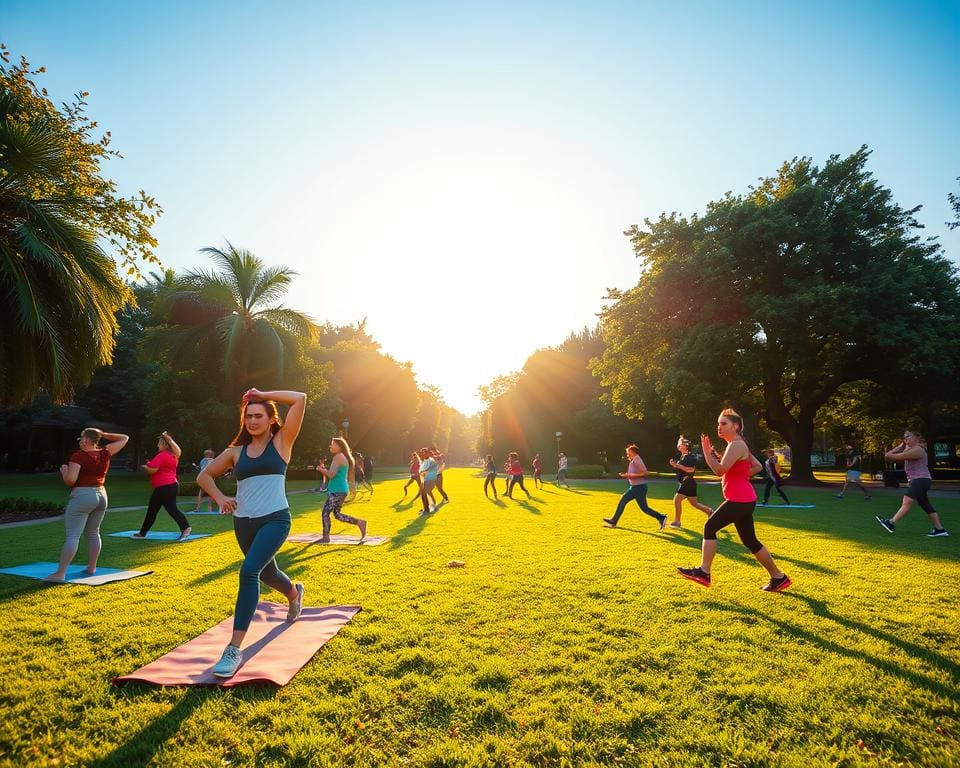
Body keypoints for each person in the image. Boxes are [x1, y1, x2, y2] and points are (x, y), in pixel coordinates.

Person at [196, 388, 309, 678]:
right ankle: (294, 593)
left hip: (275, 519)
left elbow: (300, 398)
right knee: (268, 574)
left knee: (248, 572)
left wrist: (262, 393)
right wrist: (221, 499)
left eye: (259, 415)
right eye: (249, 416)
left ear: (272, 419)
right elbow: (204, 476)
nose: (253, 420)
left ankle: (233, 649)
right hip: (243, 523)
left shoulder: (283, 441)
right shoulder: (235, 452)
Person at [678, 408, 792, 591]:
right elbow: (755, 466)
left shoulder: (737, 444)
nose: (719, 427)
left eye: (724, 423)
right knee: (750, 541)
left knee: (710, 526)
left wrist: (707, 453)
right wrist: (739, 475)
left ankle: (704, 572)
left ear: (736, 426)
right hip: (745, 499)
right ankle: (778, 578)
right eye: (718, 424)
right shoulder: (738, 444)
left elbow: (719, 471)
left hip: (739, 499)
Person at [45, 428, 129, 581]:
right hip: (102, 495)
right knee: (93, 533)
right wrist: (103, 434)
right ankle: (92, 568)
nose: (79, 441)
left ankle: (60, 574)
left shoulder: (78, 456)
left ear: (86, 440)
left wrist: (64, 472)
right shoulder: (105, 452)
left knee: (73, 536)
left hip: (83, 495)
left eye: (81, 438)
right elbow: (124, 438)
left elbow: (70, 481)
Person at [876, 430, 949, 537]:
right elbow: (892, 456)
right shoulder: (912, 449)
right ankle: (940, 529)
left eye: (908, 437)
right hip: (919, 480)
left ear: (916, 438)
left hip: (921, 480)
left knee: (907, 500)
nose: (905, 439)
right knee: (925, 505)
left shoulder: (918, 450)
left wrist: (900, 447)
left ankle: (891, 523)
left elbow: (890, 456)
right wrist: (902, 446)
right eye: (904, 437)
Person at [134, 431, 192, 541]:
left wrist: (145, 466)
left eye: (159, 443)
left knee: (152, 510)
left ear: (165, 445)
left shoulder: (162, 455)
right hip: (173, 486)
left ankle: (142, 533)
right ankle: (185, 527)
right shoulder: (173, 456)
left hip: (163, 487)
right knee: (172, 509)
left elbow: (152, 470)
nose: (157, 445)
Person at [316, 437, 368, 541]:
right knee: (337, 514)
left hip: (337, 490)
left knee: (325, 513)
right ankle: (360, 522)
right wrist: (324, 470)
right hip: (339, 489)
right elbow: (334, 474)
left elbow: (331, 475)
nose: (330, 446)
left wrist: (321, 469)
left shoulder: (338, 457)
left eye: (332, 444)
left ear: (339, 447)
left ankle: (326, 537)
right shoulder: (342, 456)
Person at [603, 444, 666, 529]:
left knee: (644, 508)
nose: (627, 454)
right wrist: (627, 475)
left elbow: (645, 473)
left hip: (639, 488)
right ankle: (614, 520)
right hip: (634, 487)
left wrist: (630, 475)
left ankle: (661, 517)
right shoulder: (634, 460)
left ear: (632, 452)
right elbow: (634, 473)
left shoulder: (637, 460)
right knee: (624, 501)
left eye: (628, 452)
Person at [667, 436, 713, 528]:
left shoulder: (690, 456)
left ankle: (677, 522)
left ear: (686, 446)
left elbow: (691, 470)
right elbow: (683, 468)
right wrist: (675, 465)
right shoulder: (683, 456)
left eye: (682, 444)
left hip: (688, 482)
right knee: (694, 504)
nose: (679, 445)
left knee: (677, 500)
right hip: (689, 483)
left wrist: (677, 465)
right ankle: (710, 512)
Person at [418, 447, 440, 514]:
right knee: (423, 494)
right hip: (426, 481)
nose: (423, 454)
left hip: (431, 481)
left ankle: (426, 510)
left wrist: (423, 472)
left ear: (428, 453)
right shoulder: (424, 461)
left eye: (424, 452)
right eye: (422, 453)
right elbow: (421, 471)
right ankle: (429, 508)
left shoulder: (431, 461)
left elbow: (429, 470)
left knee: (423, 494)